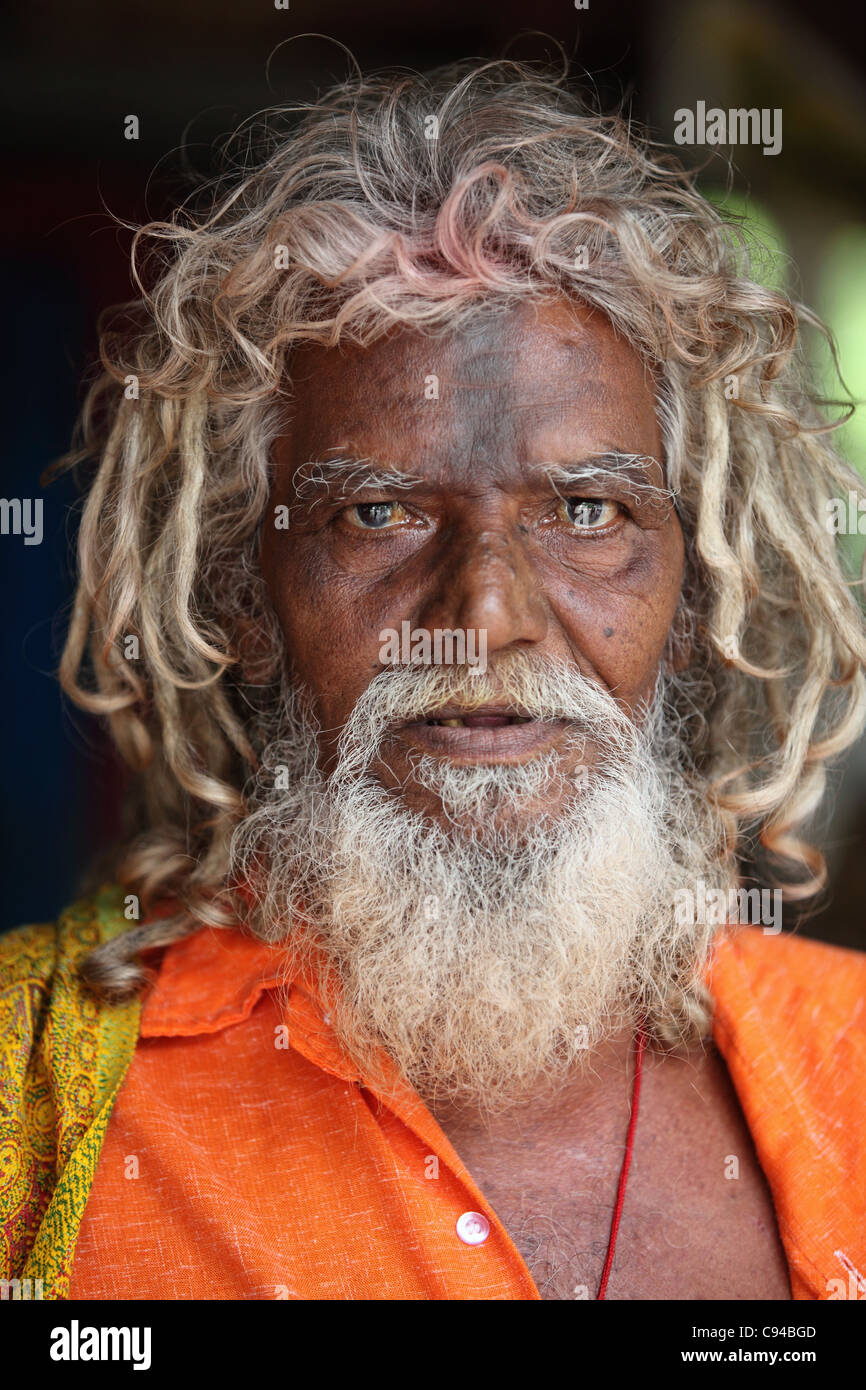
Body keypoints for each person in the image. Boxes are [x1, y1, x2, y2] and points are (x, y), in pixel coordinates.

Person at [3, 59, 865, 1302]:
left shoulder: (844, 1062)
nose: (486, 618)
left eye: (585, 508)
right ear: (247, 598)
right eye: (377, 511)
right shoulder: (25, 1097)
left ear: (690, 596)